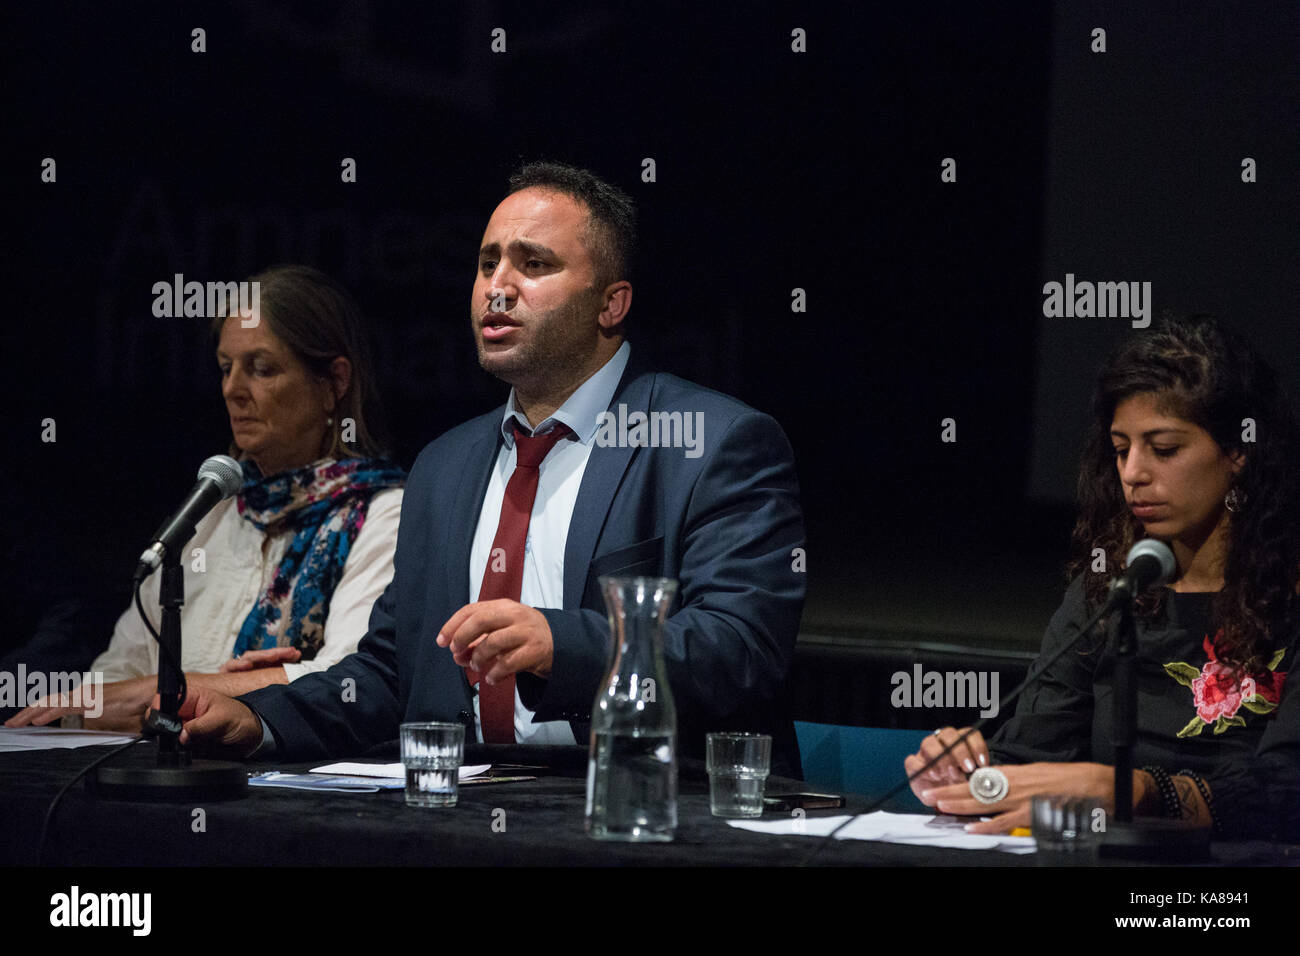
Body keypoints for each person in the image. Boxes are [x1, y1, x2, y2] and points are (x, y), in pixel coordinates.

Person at [171, 162, 808, 776]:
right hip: (470, 806)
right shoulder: (446, 466)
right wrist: (260, 720)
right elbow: (395, 672)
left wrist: (562, 644)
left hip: (650, 804)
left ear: (611, 305)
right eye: (486, 264)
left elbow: (742, 648)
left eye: (534, 265)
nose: (498, 286)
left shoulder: (711, 443)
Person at [904, 316, 1300, 841]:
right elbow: (1030, 756)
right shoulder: (1115, 587)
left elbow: (1287, 793)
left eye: (1163, 449)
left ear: (1239, 453)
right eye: (1120, 449)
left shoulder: (1289, 597)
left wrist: (1131, 789)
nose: (1133, 472)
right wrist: (971, 774)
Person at [6, 265, 405, 732]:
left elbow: (357, 682)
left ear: (333, 383)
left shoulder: (384, 513)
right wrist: (134, 701)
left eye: (261, 368)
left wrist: (183, 691)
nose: (234, 389)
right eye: (225, 368)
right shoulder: (210, 509)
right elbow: (116, 675)